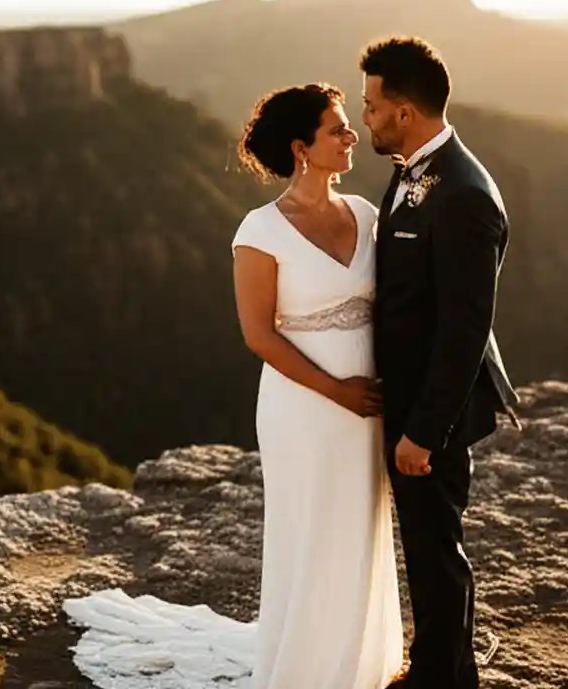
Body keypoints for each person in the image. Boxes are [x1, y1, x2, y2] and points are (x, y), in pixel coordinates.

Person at [62, 81, 406, 688]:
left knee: (359, 525)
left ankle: (358, 660)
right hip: (305, 406)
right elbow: (259, 335)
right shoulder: (261, 231)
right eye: (337, 128)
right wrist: (338, 391)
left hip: (368, 402)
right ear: (302, 147)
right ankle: (305, 668)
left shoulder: (365, 214)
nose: (352, 136)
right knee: (310, 530)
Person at [360, 36, 520, 689]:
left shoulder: (462, 194)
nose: (364, 117)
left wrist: (424, 431)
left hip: (433, 408)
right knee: (426, 547)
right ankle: (445, 670)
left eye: (371, 106)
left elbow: (464, 329)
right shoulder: (414, 167)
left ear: (403, 111)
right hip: (405, 395)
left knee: (435, 551)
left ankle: (442, 682)